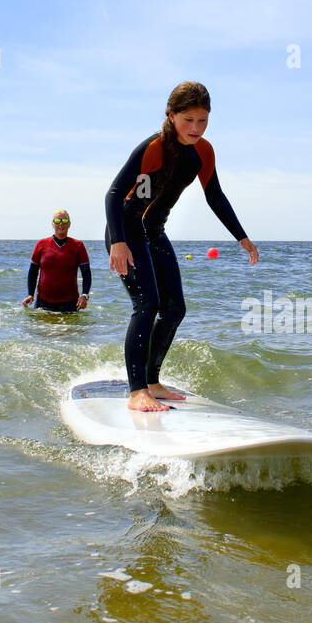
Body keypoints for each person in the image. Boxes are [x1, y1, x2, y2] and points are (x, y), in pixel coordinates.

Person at [105, 81, 259, 411]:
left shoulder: (203, 152)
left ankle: (152, 381)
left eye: (202, 120)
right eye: (188, 120)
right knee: (147, 304)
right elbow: (115, 194)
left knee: (174, 309)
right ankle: (136, 393)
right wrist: (118, 242)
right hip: (128, 229)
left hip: (154, 231)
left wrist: (241, 237)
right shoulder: (154, 148)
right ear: (171, 116)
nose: (196, 128)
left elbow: (214, 195)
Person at [23, 209, 91, 312]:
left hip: (70, 303)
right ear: (52, 224)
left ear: (69, 224)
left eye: (64, 221)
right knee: (42, 328)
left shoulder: (78, 245)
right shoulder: (41, 244)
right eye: (57, 221)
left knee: (71, 328)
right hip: (43, 301)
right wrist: (30, 294)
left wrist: (84, 295)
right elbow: (33, 272)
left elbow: (86, 273)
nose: (61, 224)